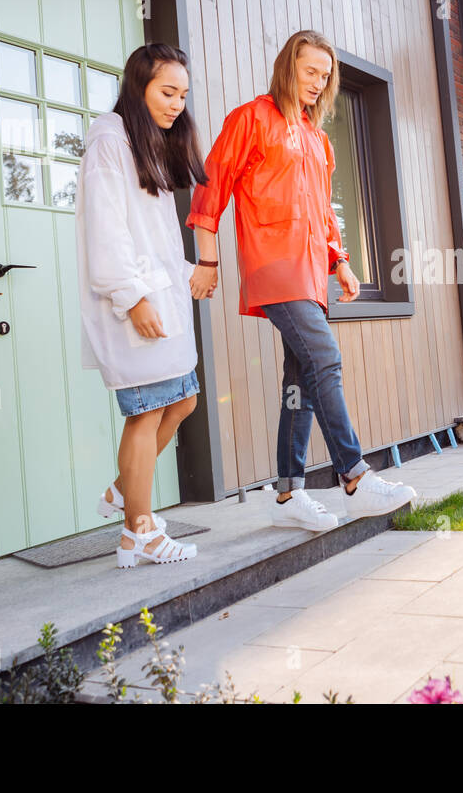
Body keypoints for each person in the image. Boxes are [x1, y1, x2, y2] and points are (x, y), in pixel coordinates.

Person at [186, 29, 416, 531]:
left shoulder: (316, 138)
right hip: (273, 265)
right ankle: (354, 478)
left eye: (325, 75)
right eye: (310, 71)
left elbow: (322, 210)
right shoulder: (251, 118)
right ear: (288, 67)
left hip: (311, 271)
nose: (317, 82)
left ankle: (287, 496)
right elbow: (211, 185)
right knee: (325, 359)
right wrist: (208, 261)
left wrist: (342, 262)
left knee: (301, 379)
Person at [76, 43, 208, 568]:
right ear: (139, 87)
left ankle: (123, 494)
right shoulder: (109, 138)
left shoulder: (145, 139)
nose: (176, 103)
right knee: (147, 411)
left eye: (182, 94)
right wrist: (132, 299)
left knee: (183, 402)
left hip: (161, 291)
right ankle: (139, 531)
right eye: (166, 91)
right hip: (135, 297)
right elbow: (106, 227)